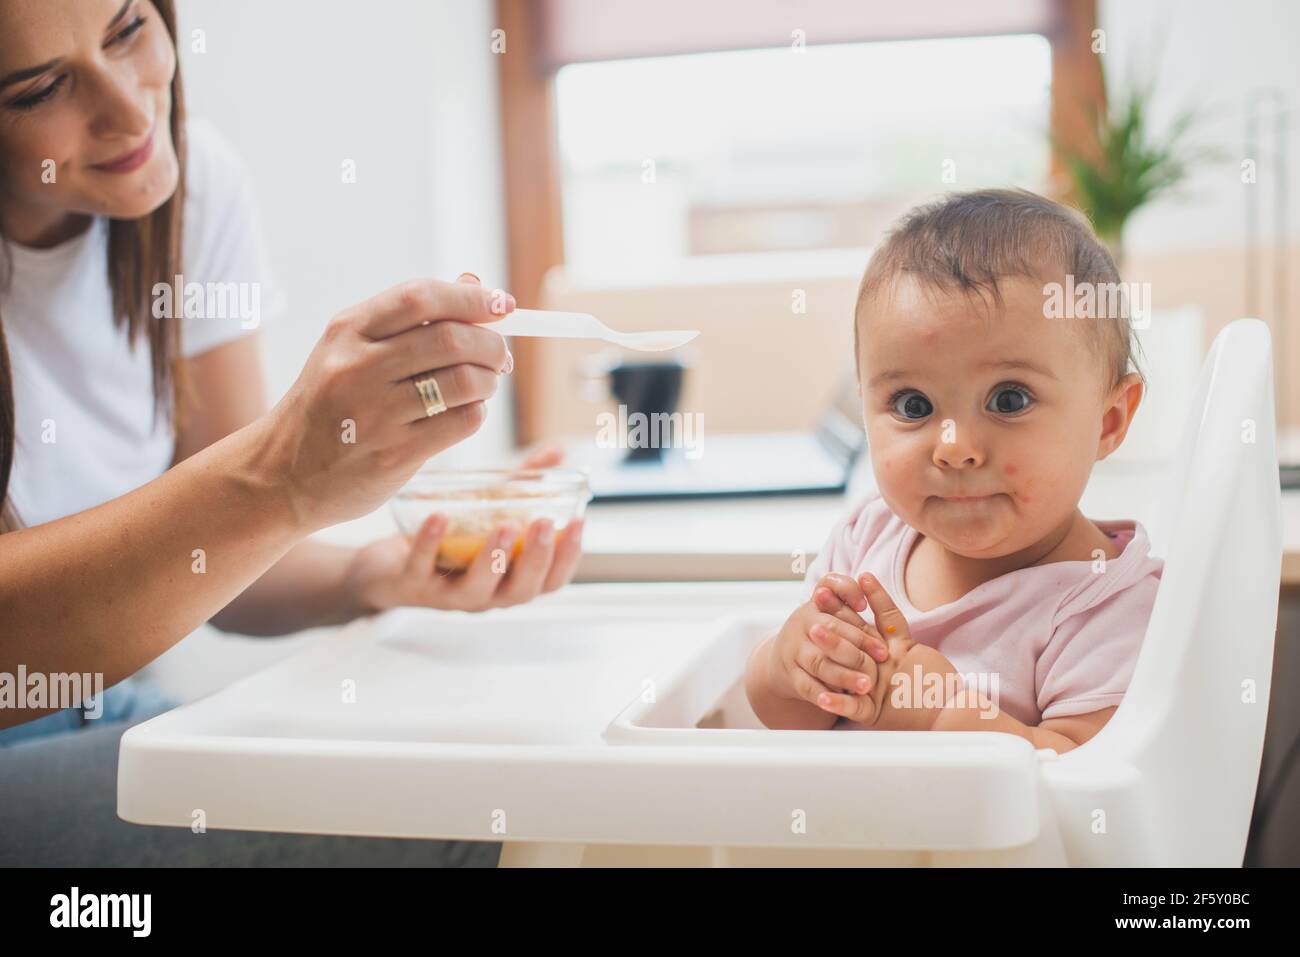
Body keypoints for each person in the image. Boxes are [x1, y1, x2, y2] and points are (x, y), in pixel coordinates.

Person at [0, 0, 581, 865]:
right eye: (43, 87)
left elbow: (213, 570)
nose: (129, 109)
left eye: (127, 30)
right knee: (449, 812)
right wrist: (284, 475)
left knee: (495, 757)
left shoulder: (192, 192)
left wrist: (374, 571)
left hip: (110, 709)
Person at [745, 189, 1163, 753]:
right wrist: (786, 666)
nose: (955, 448)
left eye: (1009, 400)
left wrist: (939, 715)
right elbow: (795, 721)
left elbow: (1085, 791)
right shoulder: (865, 539)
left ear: (1108, 421)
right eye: (913, 406)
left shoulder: (1106, 607)